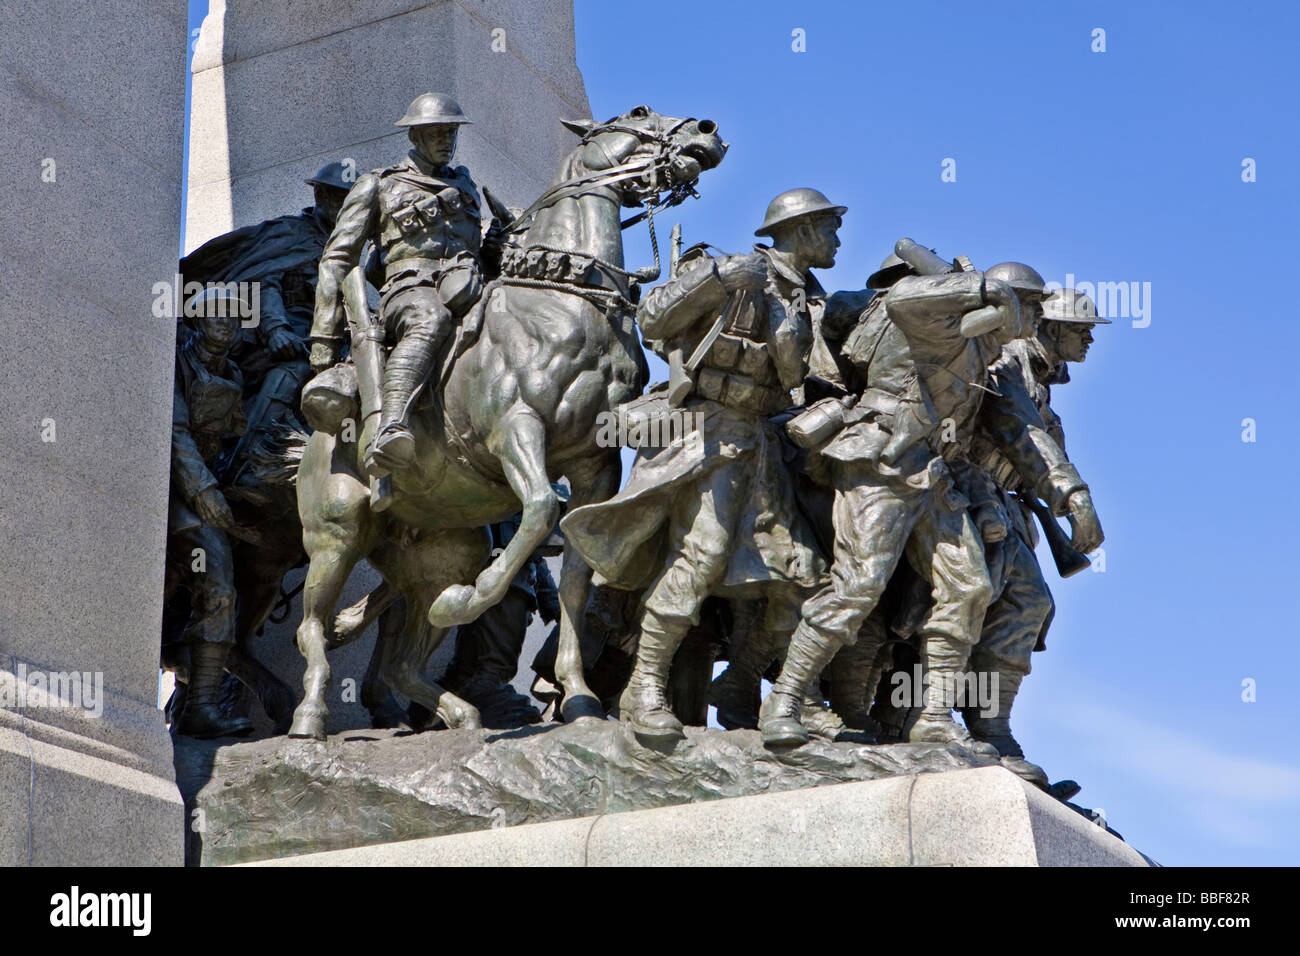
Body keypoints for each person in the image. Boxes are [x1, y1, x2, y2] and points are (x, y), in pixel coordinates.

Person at [562, 188, 845, 743]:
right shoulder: (736, 269)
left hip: (759, 445)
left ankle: (768, 691)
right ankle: (644, 688)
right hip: (703, 437)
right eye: (829, 228)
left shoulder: (805, 296)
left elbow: (808, 378)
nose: (836, 240)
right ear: (804, 229)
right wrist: (715, 280)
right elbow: (652, 318)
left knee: (802, 577)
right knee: (702, 557)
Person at [308, 92, 509, 475]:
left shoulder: (466, 187)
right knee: (429, 319)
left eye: (451, 132)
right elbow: (337, 259)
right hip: (409, 290)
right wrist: (323, 338)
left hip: (466, 286)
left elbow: (477, 254)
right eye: (437, 133)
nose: (446, 140)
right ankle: (391, 426)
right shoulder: (379, 185)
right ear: (415, 136)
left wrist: (496, 246)